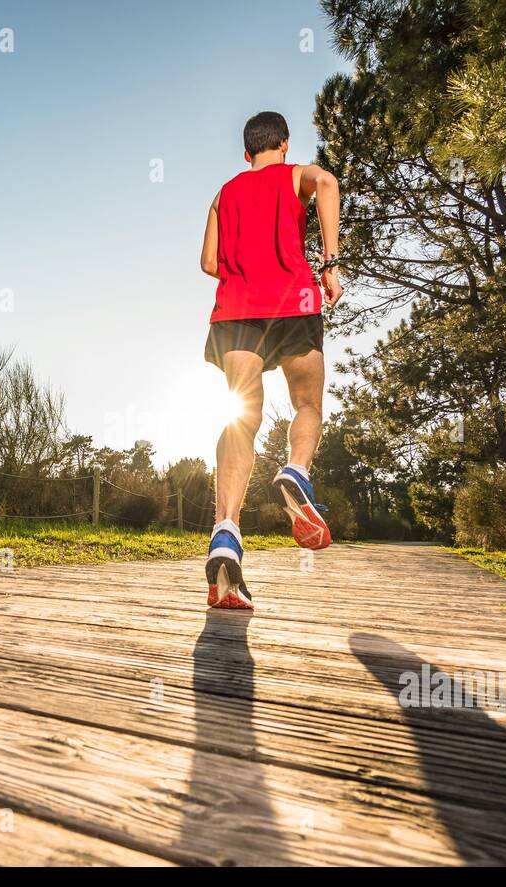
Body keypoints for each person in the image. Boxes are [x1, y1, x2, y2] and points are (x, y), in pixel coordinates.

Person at [200, 110, 343, 610]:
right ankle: (297, 471)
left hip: (236, 311)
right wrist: (329, 261)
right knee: (306, 403)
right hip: (293, 302)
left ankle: (225, 530)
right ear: (283, 143)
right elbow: (327, 181)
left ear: (246, 152)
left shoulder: (224, 194)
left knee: (242, 418)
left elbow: (209, 263)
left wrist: (245, 265)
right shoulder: (294, 174)